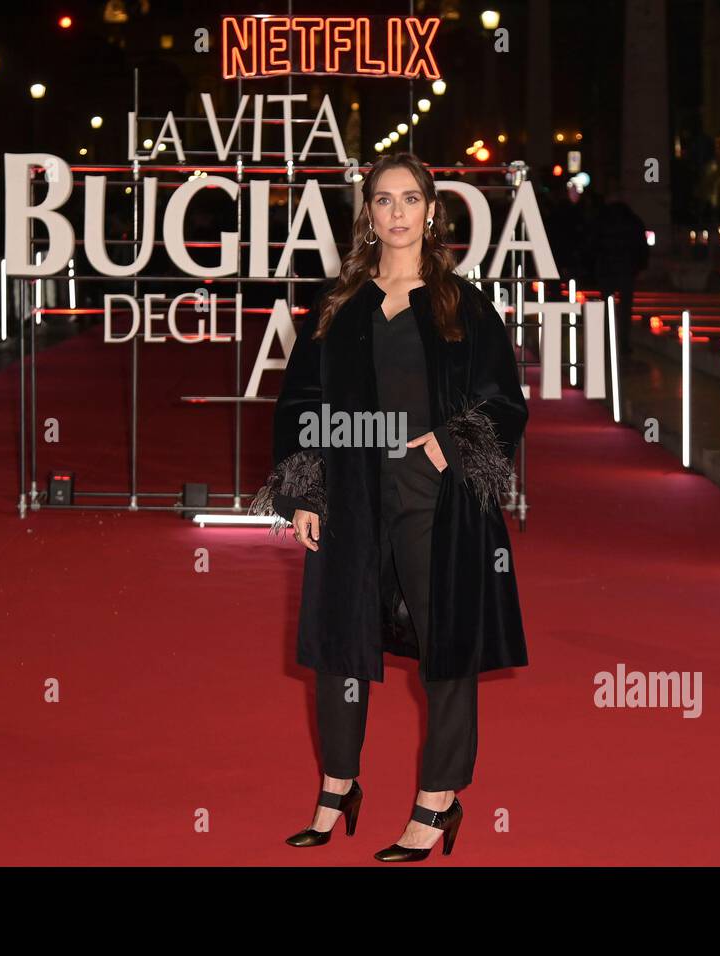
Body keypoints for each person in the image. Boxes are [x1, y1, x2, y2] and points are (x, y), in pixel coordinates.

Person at [249, 152, 530, 862]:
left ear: (431, 211)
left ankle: (438, 799)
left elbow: (505, 400)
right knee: (341, 643)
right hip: (350, 493)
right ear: (368, 214)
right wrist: (304, 489)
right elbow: (302, 402)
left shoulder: (462, 305)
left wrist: (449, 443)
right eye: (384, 200)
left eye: (411, 199)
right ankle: (337, 787)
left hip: (434, 499)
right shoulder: (339, 305)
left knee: (447, 648)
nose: (398, 212)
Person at [589, 186, 648, 356]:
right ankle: (623, 343)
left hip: (606, 269)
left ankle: (607, 342)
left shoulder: (601, 219)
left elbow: (592, 243)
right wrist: (640, 266)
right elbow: (641, 246)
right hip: (627, 270)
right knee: (625, 309)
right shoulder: (633, 220)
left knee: (607, 307)